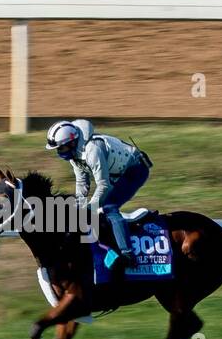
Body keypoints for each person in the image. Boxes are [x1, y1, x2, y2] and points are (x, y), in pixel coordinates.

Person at [44, 119, 151, 278]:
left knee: (108, 206)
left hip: (135, 169)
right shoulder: (74, 155)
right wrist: (78, 207)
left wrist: (90, 207)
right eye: (57, 149)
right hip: (118, 173)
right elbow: (82, 183)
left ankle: (127, 254)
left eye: (61, 148)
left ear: (72, 142)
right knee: (94, 208)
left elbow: (104, 185)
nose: (59, 152)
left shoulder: (92, 150)